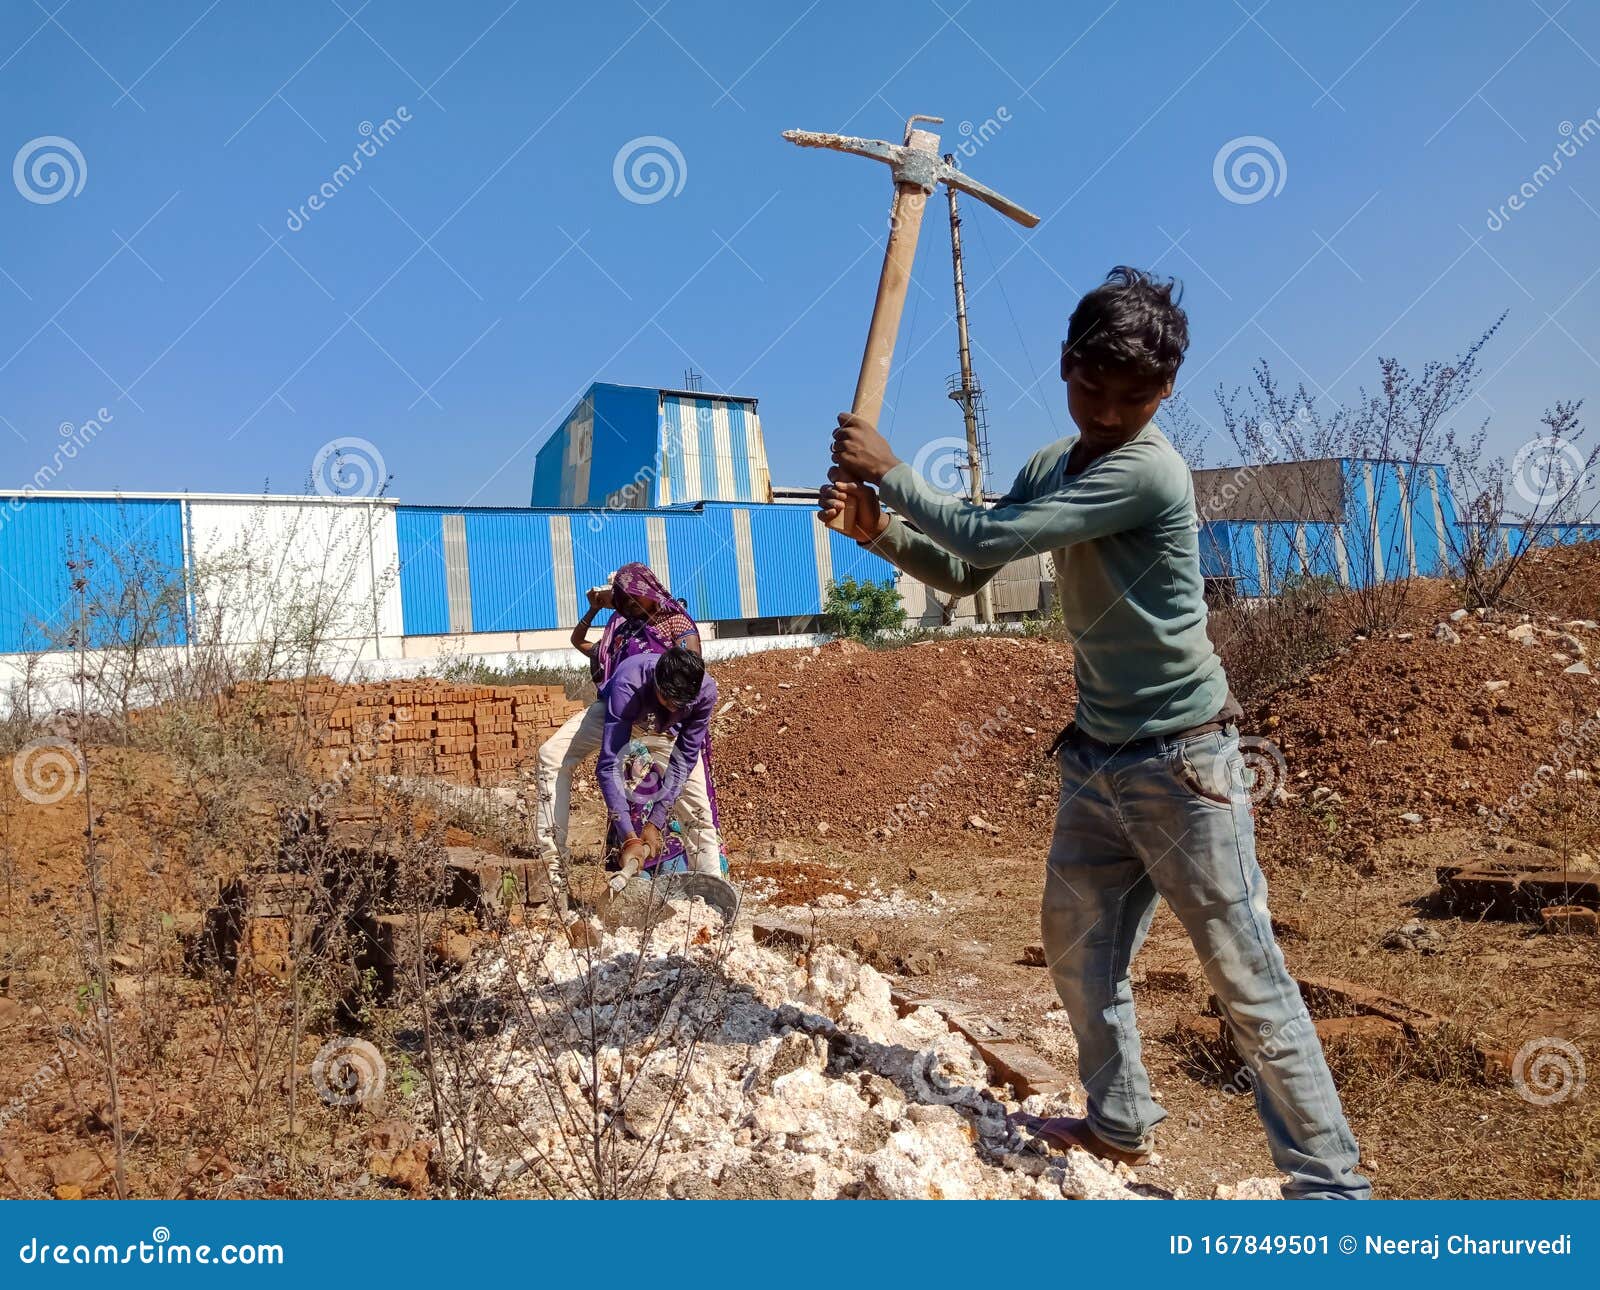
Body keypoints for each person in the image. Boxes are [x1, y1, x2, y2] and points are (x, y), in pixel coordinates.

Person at [819, 266, 1370, 1200]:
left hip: (1187, 763)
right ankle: (1119, 1121)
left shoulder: (1149, 470)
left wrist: (893, 472)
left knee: (1246, 977)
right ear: (1066, 365)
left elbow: (989, 542)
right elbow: (965, 568)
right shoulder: (1051, 468)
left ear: (1165, 394)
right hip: (1097, 759)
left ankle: (1332, 1190)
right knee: (1077, 952)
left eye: (1135, 396)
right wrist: (879, 532)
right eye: (1092, 387)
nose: (1109, 412)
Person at [533, 563, 700, 886]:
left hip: (664, 719)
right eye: (624, 599)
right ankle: (553, 874)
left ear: (652, 593)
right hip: (617, 711)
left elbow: (694, 676)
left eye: (636, 597)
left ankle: (708, 883)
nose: (630, 603)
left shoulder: (675, 621)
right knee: (551, 756)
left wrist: (674, 714)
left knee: (691, 800)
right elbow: (581, 641)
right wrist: (595, 607)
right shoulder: (618, 628)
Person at [595, 644, 723, 877]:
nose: (674, 706)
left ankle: (710, 891)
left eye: (680, 704)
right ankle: (554, 876)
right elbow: (608, 763)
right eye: (669, 700)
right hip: (622, 716)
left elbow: (684, 756)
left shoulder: (705, 691)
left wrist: (656, 820)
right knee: (551, 756)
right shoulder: (629, 681)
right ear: (656, 682)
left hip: (667, 730)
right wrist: (629, 837)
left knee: (698, 809)